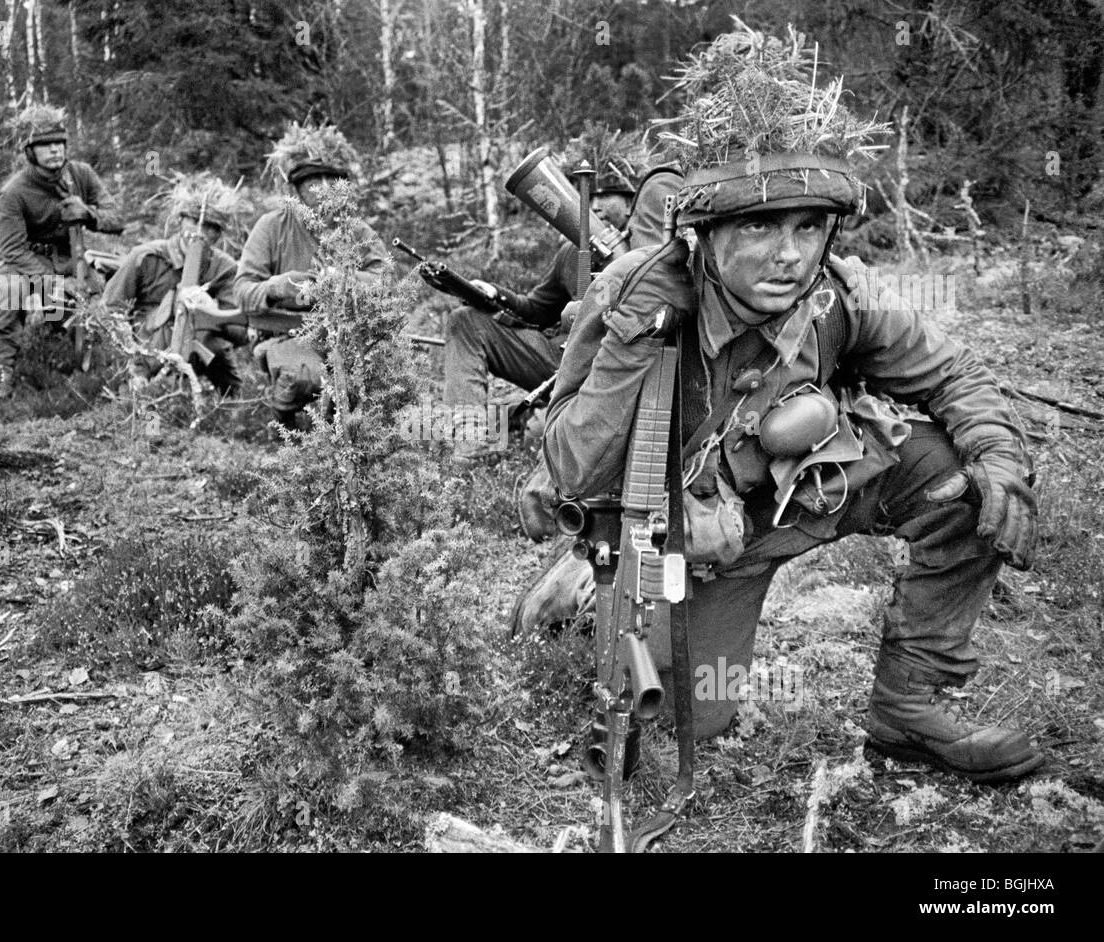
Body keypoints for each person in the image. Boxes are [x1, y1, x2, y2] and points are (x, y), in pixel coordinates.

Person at [543, 21, 1043, 784]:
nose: (790, 253)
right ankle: (577, 584)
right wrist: (629, 342)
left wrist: (999, 456)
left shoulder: (834, 294)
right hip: (685, 538)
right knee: (691, 721)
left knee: (956, 481)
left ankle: (907, 710)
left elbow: (954, 374)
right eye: (760, 226)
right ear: (706, 234)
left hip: (797, 496)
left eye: (809, 226)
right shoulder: (635, 297)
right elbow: (571, 469)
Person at [442, 165, 635, 434]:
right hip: (562, 362)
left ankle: (531, 417)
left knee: (540, 422)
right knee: (465, 321)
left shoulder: (647, 250)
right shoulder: (571, 251)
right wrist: (494, 293)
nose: (594, 205)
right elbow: (536, 310)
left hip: (619, 375)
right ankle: (468, 436)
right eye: (588, 198)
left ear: (629, 203)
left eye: (604, 196)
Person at [235, 122, 388, 427]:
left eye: (330, 179)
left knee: (377, 387)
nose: (322, 188)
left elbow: (383, 278)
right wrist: (281, 286)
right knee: (304, 376)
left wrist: (345, 281)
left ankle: (340, 425)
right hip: (284, 335)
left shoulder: (356, 230)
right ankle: (283, 414)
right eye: (311, 181)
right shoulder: (271, 226)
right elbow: (241, 291)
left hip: (347, 336)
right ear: (295, 188)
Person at [0, 104, 124, 398]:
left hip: (66, 256)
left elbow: (118, 219)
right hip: (20, 260)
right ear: (30, 152)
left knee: (93, 298)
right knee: (11, 291)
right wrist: (53, 282)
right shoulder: (14, 192)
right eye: (46, 146)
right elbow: (11, 249)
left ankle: (87, 358)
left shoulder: (81, 174)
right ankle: (1, 367)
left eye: (59, 144)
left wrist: (88, 214)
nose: (56, 151)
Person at [102, 174, 249, 395]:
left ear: (219, 233)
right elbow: (112, 308)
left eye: (211, 226)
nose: (200, 232)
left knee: (233, 393)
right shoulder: (146, 257)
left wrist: (211, 310)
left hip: (200, 338)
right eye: (194, 221)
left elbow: (239, 331)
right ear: (180, 220)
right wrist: (131, 354)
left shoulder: (224, 268)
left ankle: (226, 406)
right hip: (147, 343)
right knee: (140, 404)